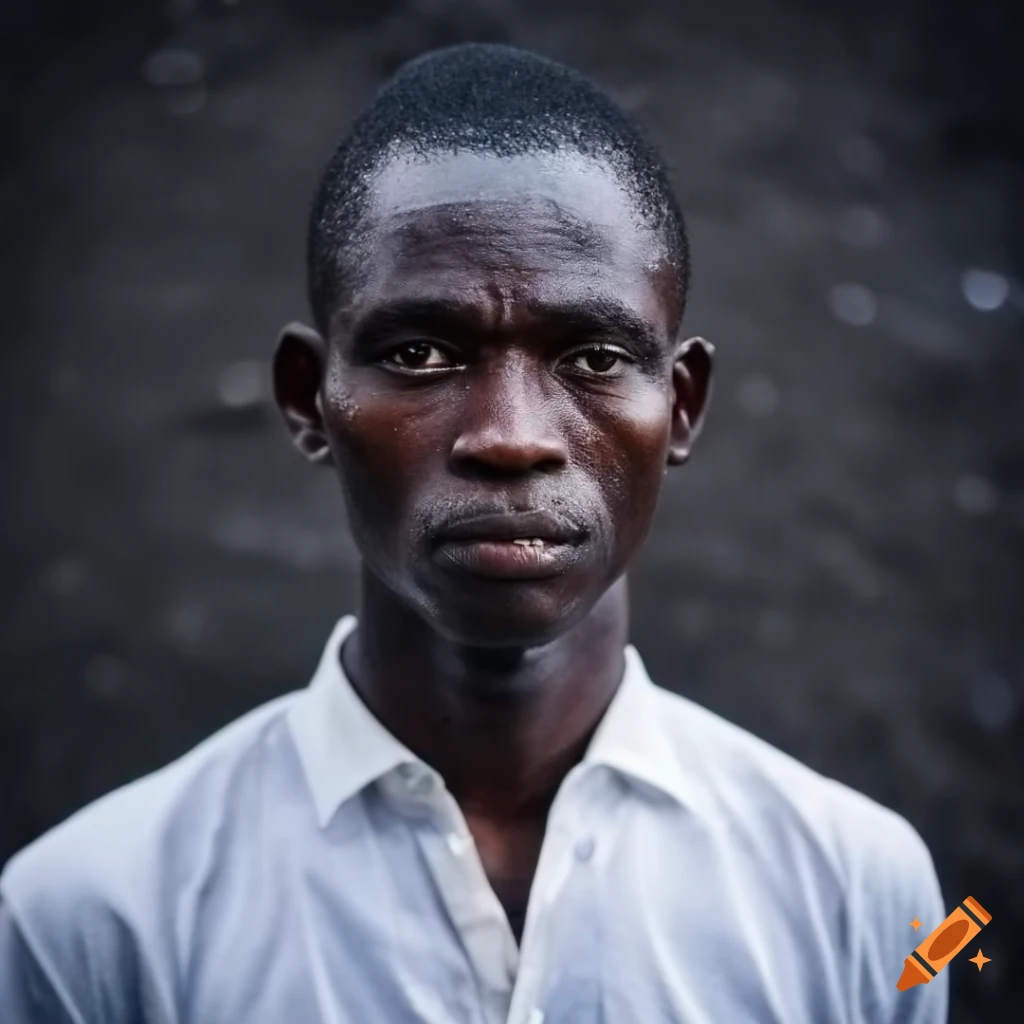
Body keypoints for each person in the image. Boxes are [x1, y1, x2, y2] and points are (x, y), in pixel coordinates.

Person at [0, 43, 946, 1024]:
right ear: (308, 400)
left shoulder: (874, 900)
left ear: (683, 405)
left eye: (595, 356)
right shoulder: (89, 923)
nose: (511, 437)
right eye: (419, 352)